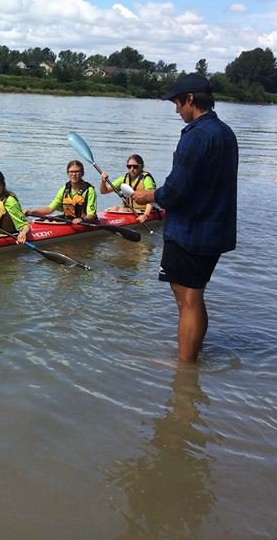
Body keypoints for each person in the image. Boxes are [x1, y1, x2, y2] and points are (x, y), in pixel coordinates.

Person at [131, 73, 238, 363]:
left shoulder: (196, 135)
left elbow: (176, 191)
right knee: (196, 296)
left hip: (190, 231)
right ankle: (193, 361)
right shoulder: (225, 132)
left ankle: (185, 370)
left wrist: (148, 196)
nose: (176, 110)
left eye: (177, 103)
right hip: (216, 231)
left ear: (190, 99)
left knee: (186, 300)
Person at [25, 160, 97, 224]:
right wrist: (30, 212)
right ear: (67, 173)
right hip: (68, 220)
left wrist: (82, 219)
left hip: (84, 222)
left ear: (82, 173)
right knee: (47, 220)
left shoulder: (89, 190)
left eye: (77, 171)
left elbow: (91, 215)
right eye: (71, 172)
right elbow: (49, 209)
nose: (74, 174)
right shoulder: (63, 190)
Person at [99, 154, 157, 224]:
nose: (132, 169)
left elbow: (152, 198)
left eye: (135, 167)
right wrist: (103, 181)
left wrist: (145, 215)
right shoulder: (124, 178)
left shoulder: (147, 179)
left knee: (120, 210)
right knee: (114, 208)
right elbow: (104, 191)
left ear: (141, 166)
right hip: (130, 210)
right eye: (129, 166)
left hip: (144, 211)